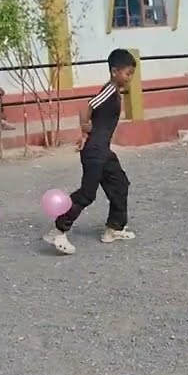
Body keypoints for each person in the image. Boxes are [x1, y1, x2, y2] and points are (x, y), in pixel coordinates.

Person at [43, 49, 137, 255]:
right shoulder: (109, 90)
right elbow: (87, 105)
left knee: (120, 184)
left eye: (132, 74)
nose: (129, 78)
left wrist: (87, 132)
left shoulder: (114, 92)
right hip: (95, 152)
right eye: (127, 73)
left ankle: (114, 228)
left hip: (103, 152)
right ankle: (58, 231)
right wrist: (84, 129)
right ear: (114, 71)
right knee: (87, 194)